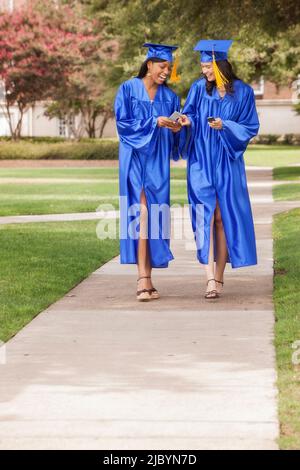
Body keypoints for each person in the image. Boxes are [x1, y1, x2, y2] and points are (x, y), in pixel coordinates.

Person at [178, 39, 260, 299]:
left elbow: (249, 127)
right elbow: (189, 114)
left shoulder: (244, 92)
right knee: (205, 216)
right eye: (202, 66)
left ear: (220, 64)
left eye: (207, 66)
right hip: (201, 159)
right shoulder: (198, 89)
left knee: (222, 218)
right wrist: (185, 119)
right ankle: (209, 279)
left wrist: (225, 125)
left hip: (228, 160)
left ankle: (220, 276)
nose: (204, 71)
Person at [114, 42, 182, 301]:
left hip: (157, 161)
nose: (166, 71)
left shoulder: (170, 97)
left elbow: (177, 135)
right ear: (149, 64)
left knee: (153, 215)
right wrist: (154, 121)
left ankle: (148, 279)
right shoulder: (128, 88)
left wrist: (177, 129)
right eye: (162, 66)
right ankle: (143, 279)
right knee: (141, 212)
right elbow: (123, 124)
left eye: (169, 67)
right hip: (134, 158)